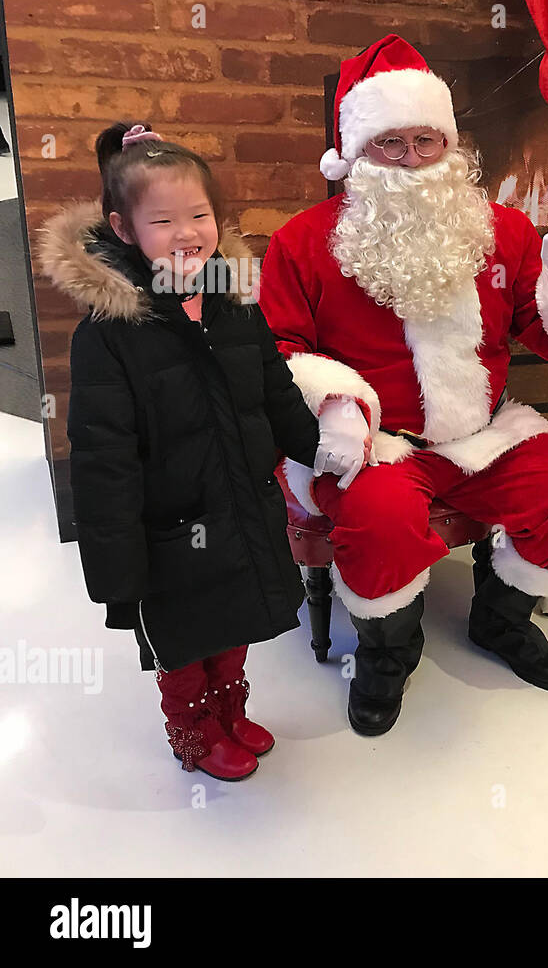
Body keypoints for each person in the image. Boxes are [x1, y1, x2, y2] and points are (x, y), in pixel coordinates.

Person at [259, 35, 548, 737]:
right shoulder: (302, 244)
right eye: (391, 144)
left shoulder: (502, 233)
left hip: (483, 432)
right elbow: (278, 354)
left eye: (428, 140)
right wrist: (334, 403)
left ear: (452, 147)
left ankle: (500, 619)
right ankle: (388, 654)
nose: (413, 160)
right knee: (381, 522)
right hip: (374, 443)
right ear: (356, 155)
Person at [40, 123, 329, 781]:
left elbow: (276, 393)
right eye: (161, 219)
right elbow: (102, 455)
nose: (185, 232)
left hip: (240, 508)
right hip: (169, 534)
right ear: (123, 228)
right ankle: (193, 727)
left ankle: (229, 708)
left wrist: (323, 446)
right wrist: (114, 565)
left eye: (198, 214)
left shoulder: (233, 306)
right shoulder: (109, 335)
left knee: (234, 626)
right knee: (185, 640)